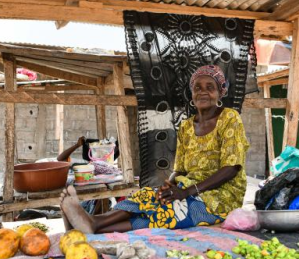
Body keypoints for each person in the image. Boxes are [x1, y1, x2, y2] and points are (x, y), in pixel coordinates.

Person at [59, 65, 249, 233]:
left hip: (221, 197)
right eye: (197, 88)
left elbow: (231, 168)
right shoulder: (186, 126)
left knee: (169, 211)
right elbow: (180, 169)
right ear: (191, 94)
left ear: (220, 93)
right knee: (147, 195)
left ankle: (93, 224)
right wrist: (168, 187)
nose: (203, 92)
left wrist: (186, 192)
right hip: (188, 188)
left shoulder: (229, 118)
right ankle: (90, 224)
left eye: (210, 88)